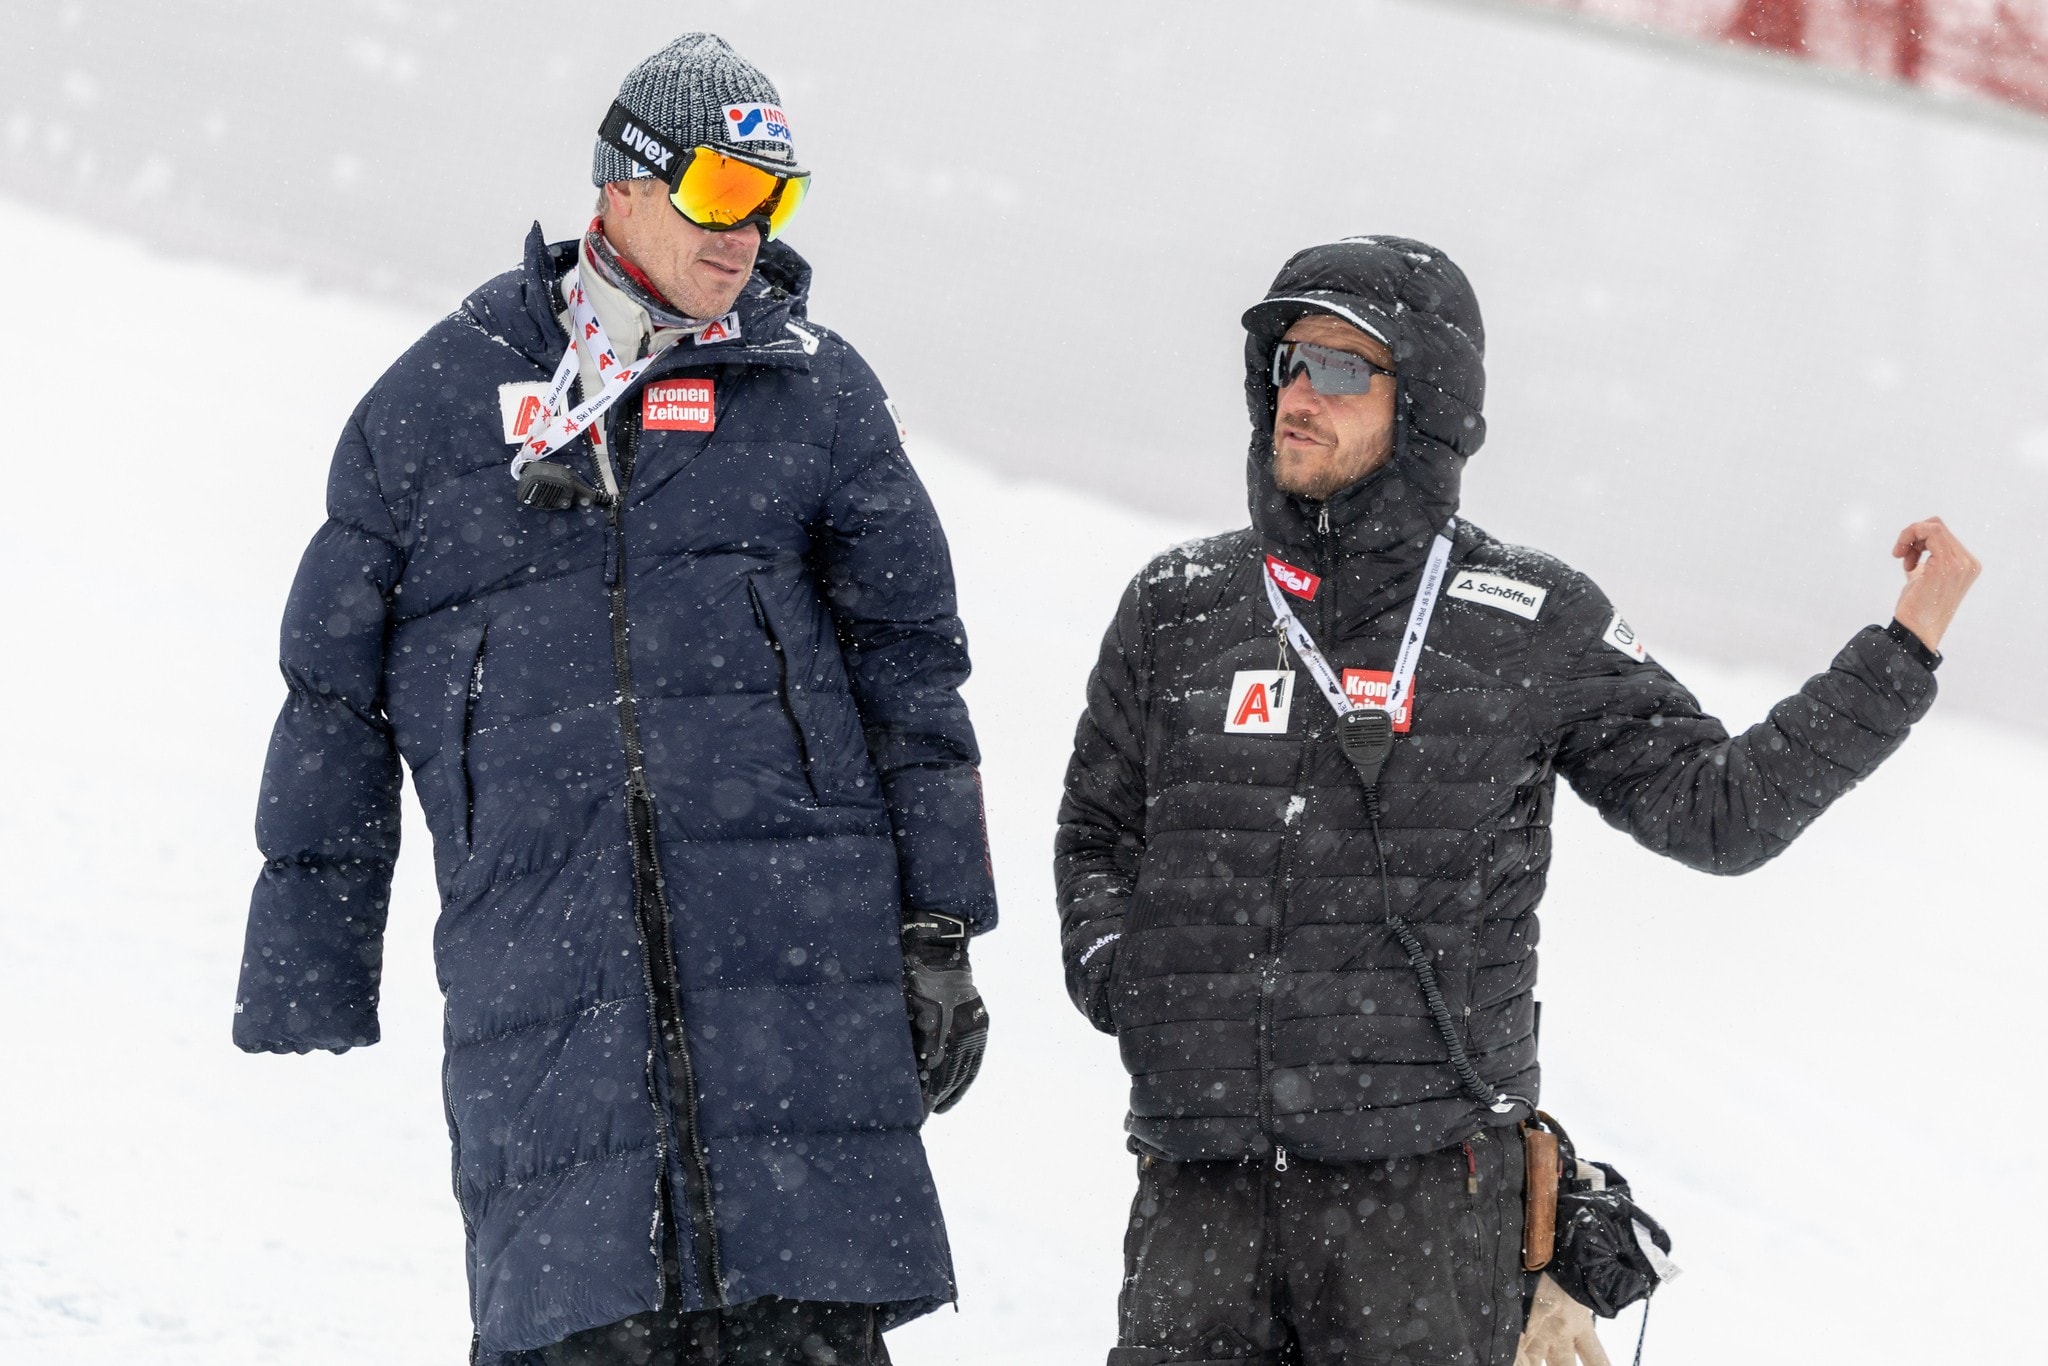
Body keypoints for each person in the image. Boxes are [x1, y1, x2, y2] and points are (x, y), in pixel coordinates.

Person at [1055, 236, 1978, 1366]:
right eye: (1287, 362)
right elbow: (1096, 832)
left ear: (1426, 402)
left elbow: (1717, 810)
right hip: (1197, 1187)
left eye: (1343, 371)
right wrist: (1124, 978)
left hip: (1420, 1204)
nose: (1299, 395)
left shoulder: (1526, 617)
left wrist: (1902, 647)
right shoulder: (1176, 604)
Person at [233, 34, 995, 1366]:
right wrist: (310, 953)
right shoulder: (437, 410)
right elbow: (328, 694)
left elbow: (913, 670)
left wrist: (938, 923)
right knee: (582, 1318)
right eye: (719, 188)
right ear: (623, 185)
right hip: (550, 1000)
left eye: (778, 196)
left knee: (797, 1318)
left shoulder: (815, 397)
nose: (747, 229)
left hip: (792, 991)